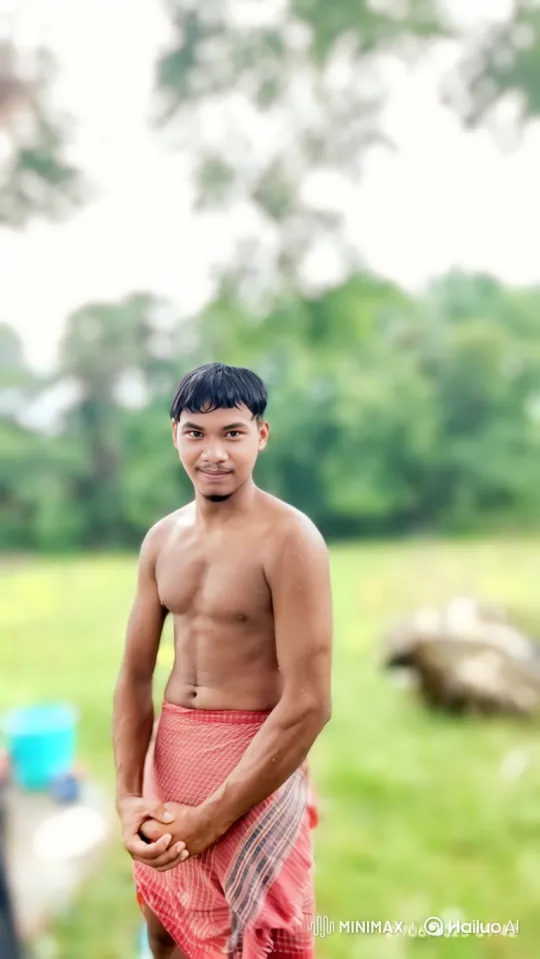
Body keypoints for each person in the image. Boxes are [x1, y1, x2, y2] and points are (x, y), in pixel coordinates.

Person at [113, 362, 333, 958]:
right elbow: (135, 678)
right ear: (175, 436)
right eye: (196, 432)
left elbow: (310, 703)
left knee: (254, 938)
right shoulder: (161, 541)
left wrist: (212, 817)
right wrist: (129, 796)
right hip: (172, 759)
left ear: (261, 435)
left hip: (253, 766)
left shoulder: (291, 540)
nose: (214, 452)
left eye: (232, 433)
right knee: (164, 929)